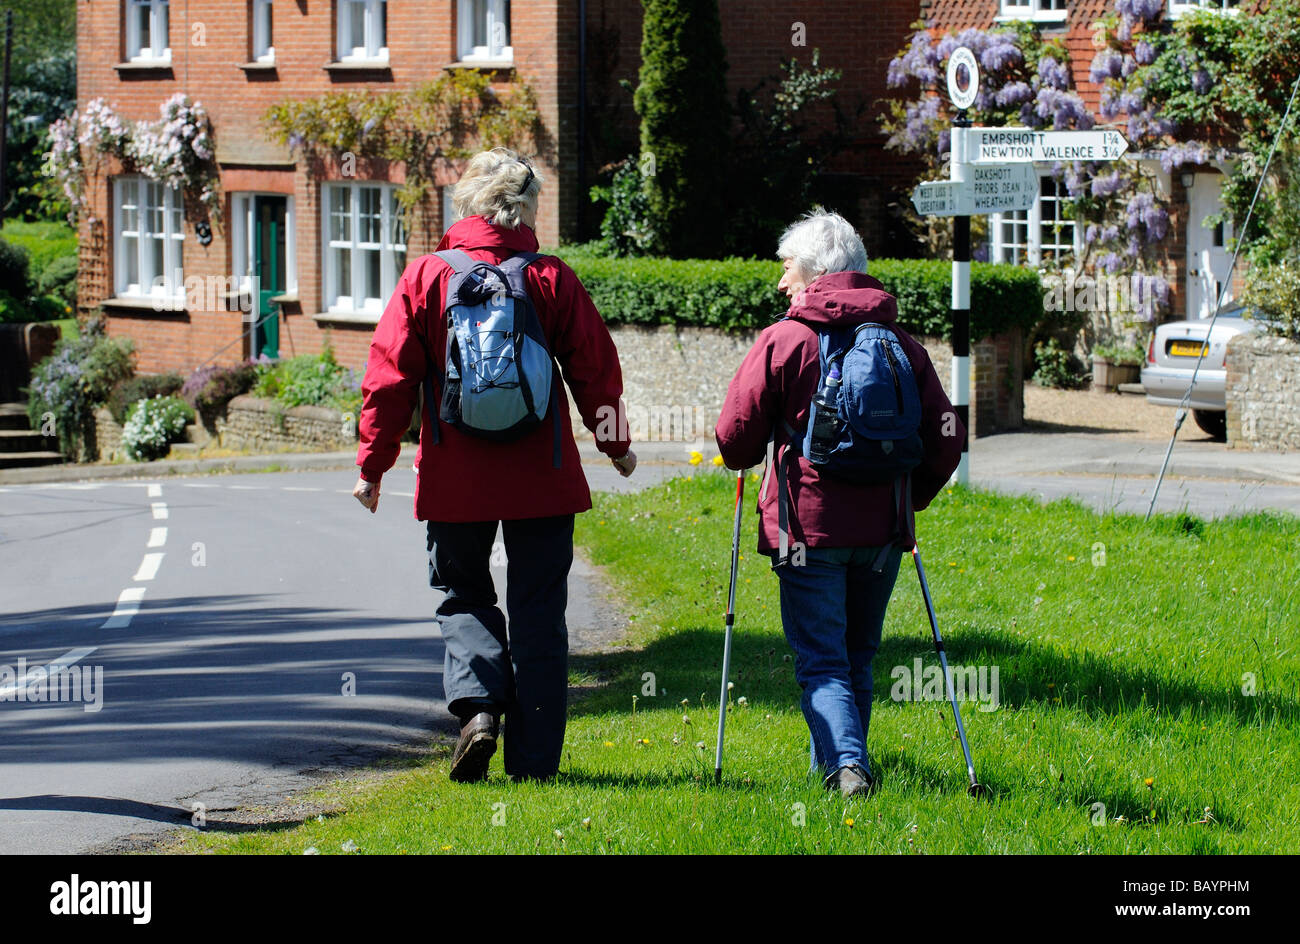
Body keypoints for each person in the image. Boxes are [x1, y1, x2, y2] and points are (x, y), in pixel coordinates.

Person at [352, 147, 637, 783]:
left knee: (463, 595)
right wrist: (615, 445)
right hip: (543, 479)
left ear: (467, 203)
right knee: (539, 611)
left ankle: (479, 712)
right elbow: (596, 370)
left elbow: (390, 378)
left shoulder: (427, 276)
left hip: (457, 481)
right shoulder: (551, 278)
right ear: (526, 208)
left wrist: (373, 466)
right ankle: (534, 766)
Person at [715, 209, 962, 798]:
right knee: (857, 657)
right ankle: (843, 766)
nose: (781, 282)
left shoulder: (785, 340)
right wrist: (909, 501)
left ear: (817, 271)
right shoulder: (902, 345)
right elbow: (947, 434)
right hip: (882, 533)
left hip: (807, 532)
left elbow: (733, 438)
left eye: (787, 268)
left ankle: (846, 768)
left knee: (822, 659)